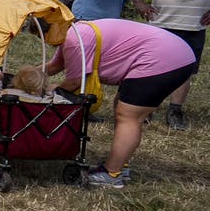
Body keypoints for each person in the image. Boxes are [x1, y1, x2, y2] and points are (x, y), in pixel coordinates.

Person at [46, 18, 195, 188]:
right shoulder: (73, 32)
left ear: (51, 30)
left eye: (43, 36)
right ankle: (118, 164)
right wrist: (29, 76)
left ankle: (111, 174)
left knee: (128, 116)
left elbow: (75, 82)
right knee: (122, 106)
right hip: (175, 52)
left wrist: (51, 89)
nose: (45, 42)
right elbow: (54, 65)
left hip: (163, 59)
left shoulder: (74, 39)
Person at [127, 0, 210, 130]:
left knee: (185, 71)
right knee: (153, 69)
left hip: (193, 27)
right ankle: (146, 107)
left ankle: (175, 111)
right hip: (161, 27)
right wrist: (139, 4)